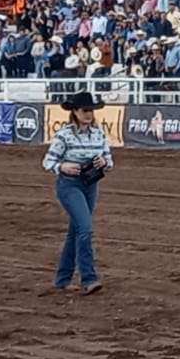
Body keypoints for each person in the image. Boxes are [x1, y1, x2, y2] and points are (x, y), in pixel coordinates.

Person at [41, 91, 113, 295]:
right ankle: (89, 278)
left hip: (90, 185)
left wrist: (104, 163)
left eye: (91, 110)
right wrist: (62, 167)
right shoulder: (64, 135)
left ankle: (62, 279)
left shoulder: (99, 134)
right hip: (70, 185)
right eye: (85, 110)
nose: (89, 114)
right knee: (85, 229)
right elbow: (48, 161)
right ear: (75, 112)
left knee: (77, 231)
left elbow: (109, 160)